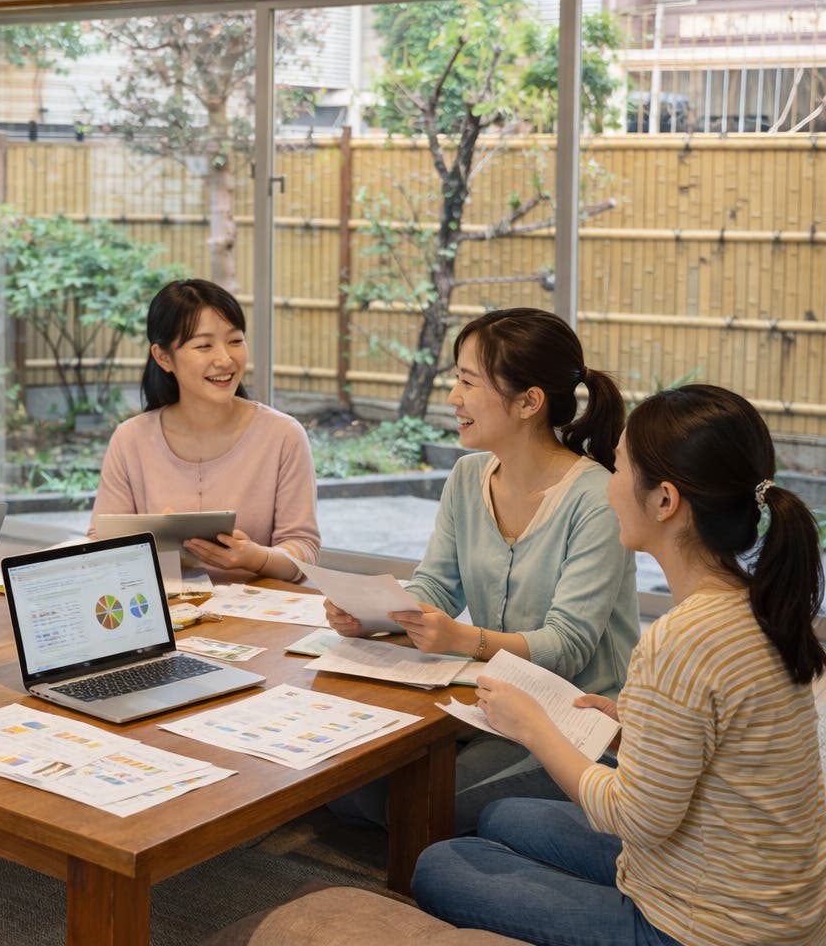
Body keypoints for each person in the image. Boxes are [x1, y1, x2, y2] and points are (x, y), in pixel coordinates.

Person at [411, 384, 826, 946]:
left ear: (664, 501)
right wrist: (627, 727)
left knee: (442, 865)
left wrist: (533, 726)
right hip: (759, 893)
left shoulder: (684, 639)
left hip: (702, 927)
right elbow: (718, 754)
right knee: (507, 815)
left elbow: (635, 816)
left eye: (620, 468)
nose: (607, 487)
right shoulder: (756, 603)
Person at [326, 307, 639, 833]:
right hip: (485, 700)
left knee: (423, 805)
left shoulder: (595, 497)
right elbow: (435, 587)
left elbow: (567, 647)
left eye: (468, 382)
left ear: (529, 402)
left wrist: (463, 638)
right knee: (341, 773)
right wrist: (376, 613)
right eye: (456, 380)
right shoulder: (468, 476)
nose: (453, 398)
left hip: (576, 718)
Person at [87, 278, 320, 583]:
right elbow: (98, 545)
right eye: (204, 346)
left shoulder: (283, 435)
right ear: (163, 357)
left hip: (257, 621)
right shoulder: (131, 439)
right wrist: (155, 548)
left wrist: (255, 557)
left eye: (235, 341)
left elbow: (304, 549)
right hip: (162, 615)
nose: (225, 359)